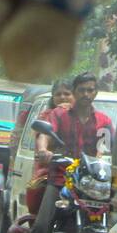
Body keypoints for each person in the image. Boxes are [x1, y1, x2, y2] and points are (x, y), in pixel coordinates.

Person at [0, 73, 113, 233]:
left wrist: (100, 159)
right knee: (41, 225)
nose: (86, 94)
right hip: (60, 179)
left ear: (95, 93)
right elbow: (44, 134)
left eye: (90, 90)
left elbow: (103, 149)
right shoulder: (59, 115)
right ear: (74, 92)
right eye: (82, 90)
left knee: (112, 223)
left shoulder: (103, 121)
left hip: (89, 183)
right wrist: (43, 150)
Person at [23, 80, 74, 218]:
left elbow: (101, 142)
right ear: (53, 97)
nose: (63, 97)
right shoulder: (47, 116)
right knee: (39, 197)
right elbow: (43, 136)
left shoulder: (89, 116)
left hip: (80, 173)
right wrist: (44, 150)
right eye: (58, 94)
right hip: (53, 170)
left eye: (67, 94)